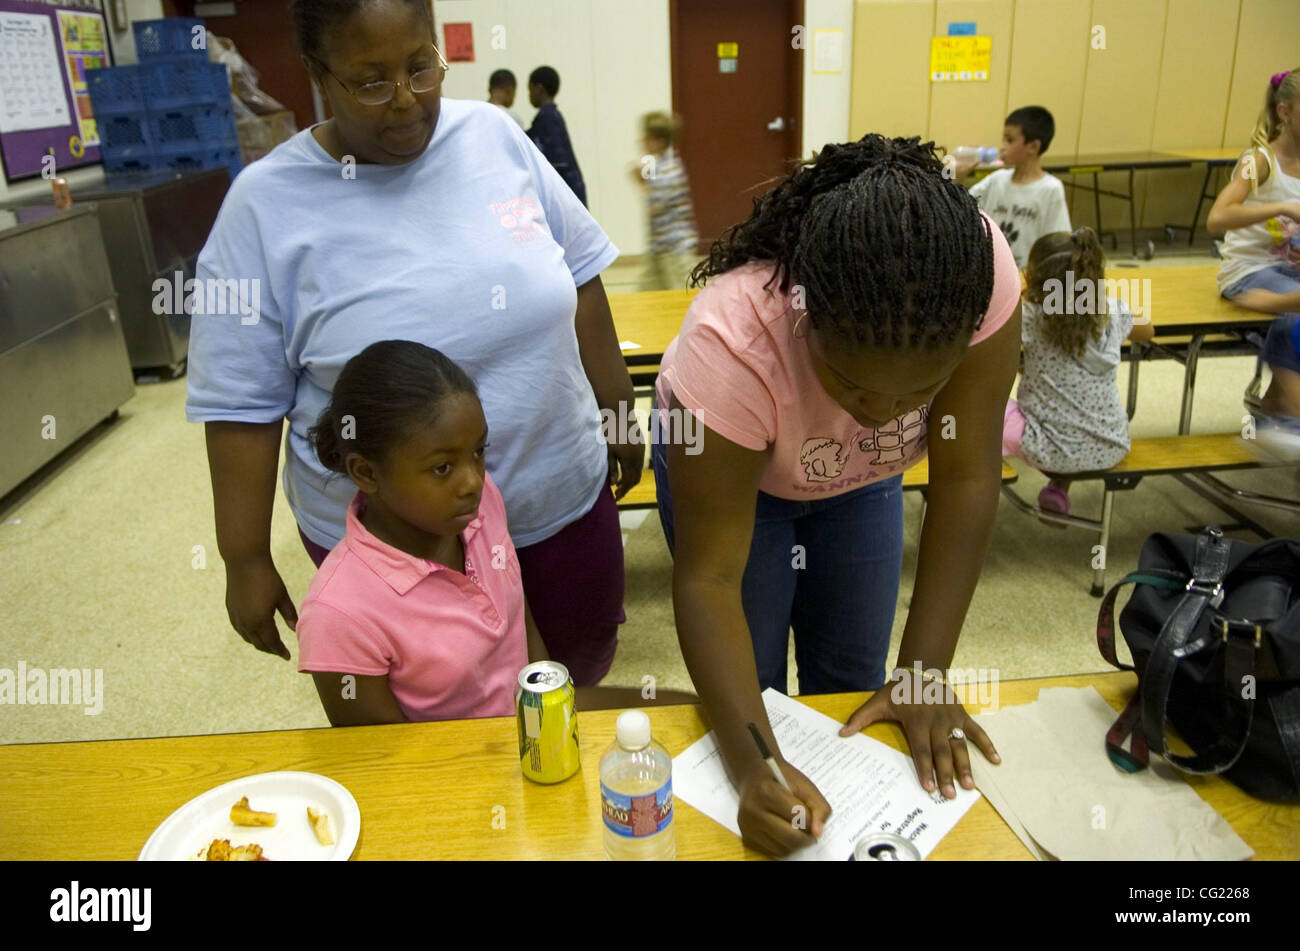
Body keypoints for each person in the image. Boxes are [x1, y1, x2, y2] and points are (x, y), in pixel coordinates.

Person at [185, 0, 643, 686]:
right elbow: (241, 403)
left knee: (571, 693)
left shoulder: (494, 136)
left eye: (420, 67)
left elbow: (580, 277)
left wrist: (617, 409)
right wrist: (244, 556)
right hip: (398, 560)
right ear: (318, 74)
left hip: (556, 507)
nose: (405, 101)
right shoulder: (265, 206)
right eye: (370, 81)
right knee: (431, 737)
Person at [651, 135, 1019, 857]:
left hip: (863, 480)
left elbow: (969, 476)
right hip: (744, 488)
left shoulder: (975, 279)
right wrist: (755, 762)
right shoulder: (731, 343)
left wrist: (922, 673)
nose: (885, 412)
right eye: (852, 385)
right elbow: (708, 578)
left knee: (854, 677)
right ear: (807, 319)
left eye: (919, 391)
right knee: (754, 689)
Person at [298, 341, 695, 724]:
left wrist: (549, 711)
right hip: (462, 774)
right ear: (365, 472)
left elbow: (518, 623)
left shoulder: (480, 504)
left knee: (687, 712)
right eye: (442, 468)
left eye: (478, 452)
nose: (473, 480)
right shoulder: (338, 615)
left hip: (532, 726)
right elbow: (387, 767)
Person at [1002, 228, 1155, 517]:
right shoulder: (1110, 310)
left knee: (979, 408)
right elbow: (1148, 330)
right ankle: (1058, 488)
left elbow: (987, 329)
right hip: (1110, 444)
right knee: (1071, 413)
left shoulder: (1031, 316)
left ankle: (964, 483)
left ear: (1035, 278)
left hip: (1046, 448)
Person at [1208, 68, 1300, 450]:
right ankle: (1283, 412)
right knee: (1295, 310)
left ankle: (1275, 402)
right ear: (1285, 111)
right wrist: (1280, 206)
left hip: (1288, 273)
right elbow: (1218, 217)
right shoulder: (1258, 160)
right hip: (1249, 271)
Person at [963, 106, 1071, 269]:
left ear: (1033, 147)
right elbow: (961, 207)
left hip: (1026, 276)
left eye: (1010, 140)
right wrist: (959, 175)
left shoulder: (1050, 189)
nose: (1003, 146)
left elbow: (1058, 241)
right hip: (992, 272)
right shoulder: (996, 180)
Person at [634, 110, 698, 291]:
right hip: (659, 247)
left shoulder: (668, 169)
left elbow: (655, 206)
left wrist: (639, 183)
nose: (641, 141)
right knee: (645, 294)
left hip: (675, 249)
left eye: (646, 137)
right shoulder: (658, 163)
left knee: (680, 294)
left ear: (658, 142)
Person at [527, 65, 587, 206]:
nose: (529, 95)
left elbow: (558, 162)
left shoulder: (547, 118)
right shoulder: (552, 116)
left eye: (530, 89)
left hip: (567, 194)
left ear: (539, 89)